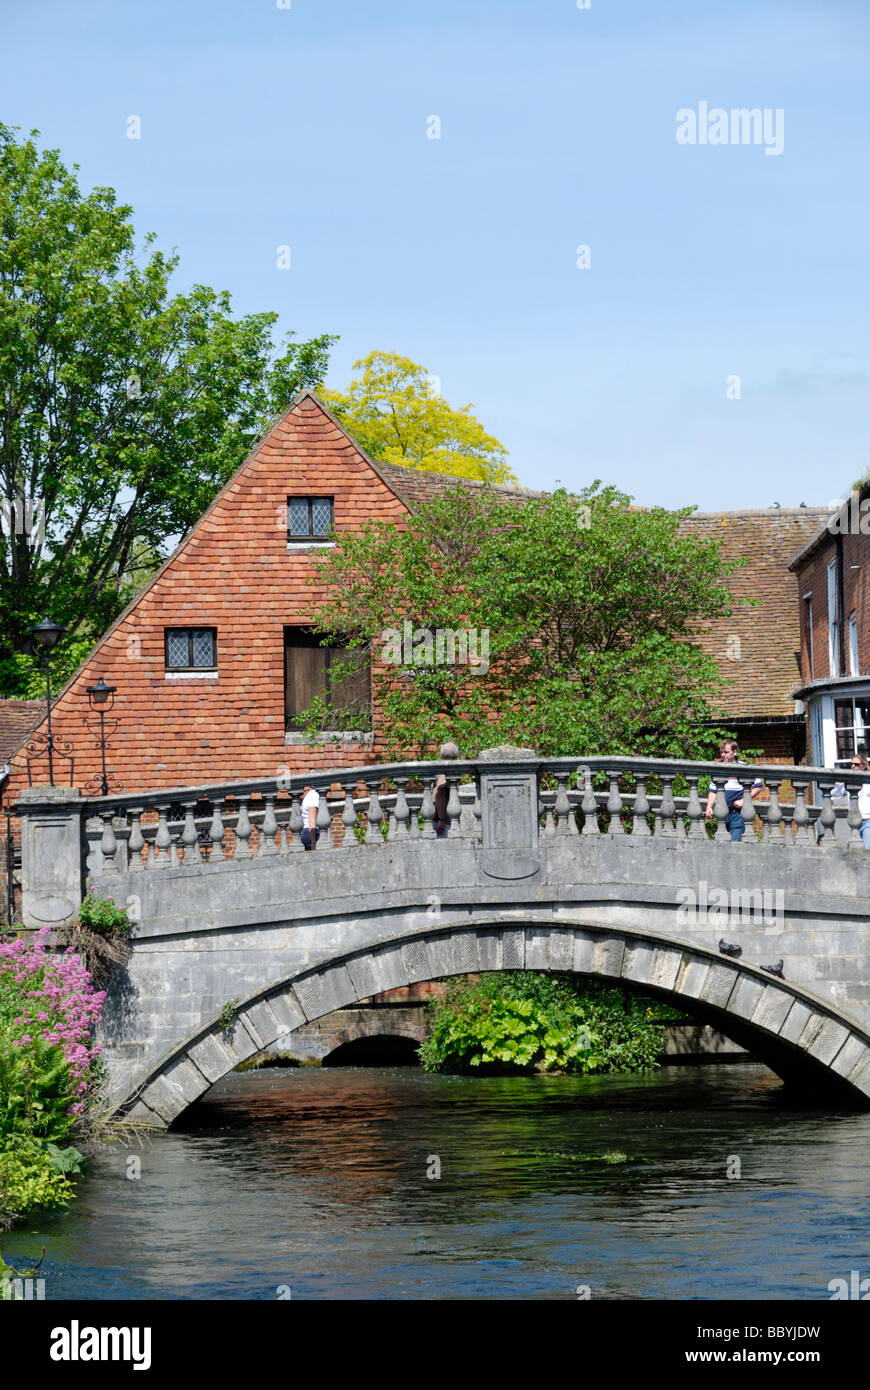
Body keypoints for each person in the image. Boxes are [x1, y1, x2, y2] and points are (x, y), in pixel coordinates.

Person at [704, 739, 763, 841]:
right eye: (721, 752)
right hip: (721, 815)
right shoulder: (717, 768)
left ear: (734, 752)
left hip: (737, 814)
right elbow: (713, 790)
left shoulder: (743, 767)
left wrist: (744, 800)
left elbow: (758, 786)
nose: (723, 755)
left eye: (726, 752)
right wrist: (709, 807)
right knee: (722, 845)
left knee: (735, 843)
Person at [829, 753, 870, 848]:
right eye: (851, 764)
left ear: (863, 766)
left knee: (868, 849)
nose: (852, 766)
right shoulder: (848, 782)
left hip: (868, 819)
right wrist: (838, 784)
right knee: (856, 849)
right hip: (854, 820)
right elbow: (832, 793)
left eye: (856, 764)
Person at [433, 742, 458, 837]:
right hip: (443, 823)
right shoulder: (445, 775)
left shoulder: (439, 772)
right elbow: (440, 794)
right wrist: (441, 820)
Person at [300, 783, 320, 850]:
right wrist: (313, 842)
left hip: (307, 832)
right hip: (311, 833)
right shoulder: (314, 796)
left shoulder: (309, 795)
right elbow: (312, 820)